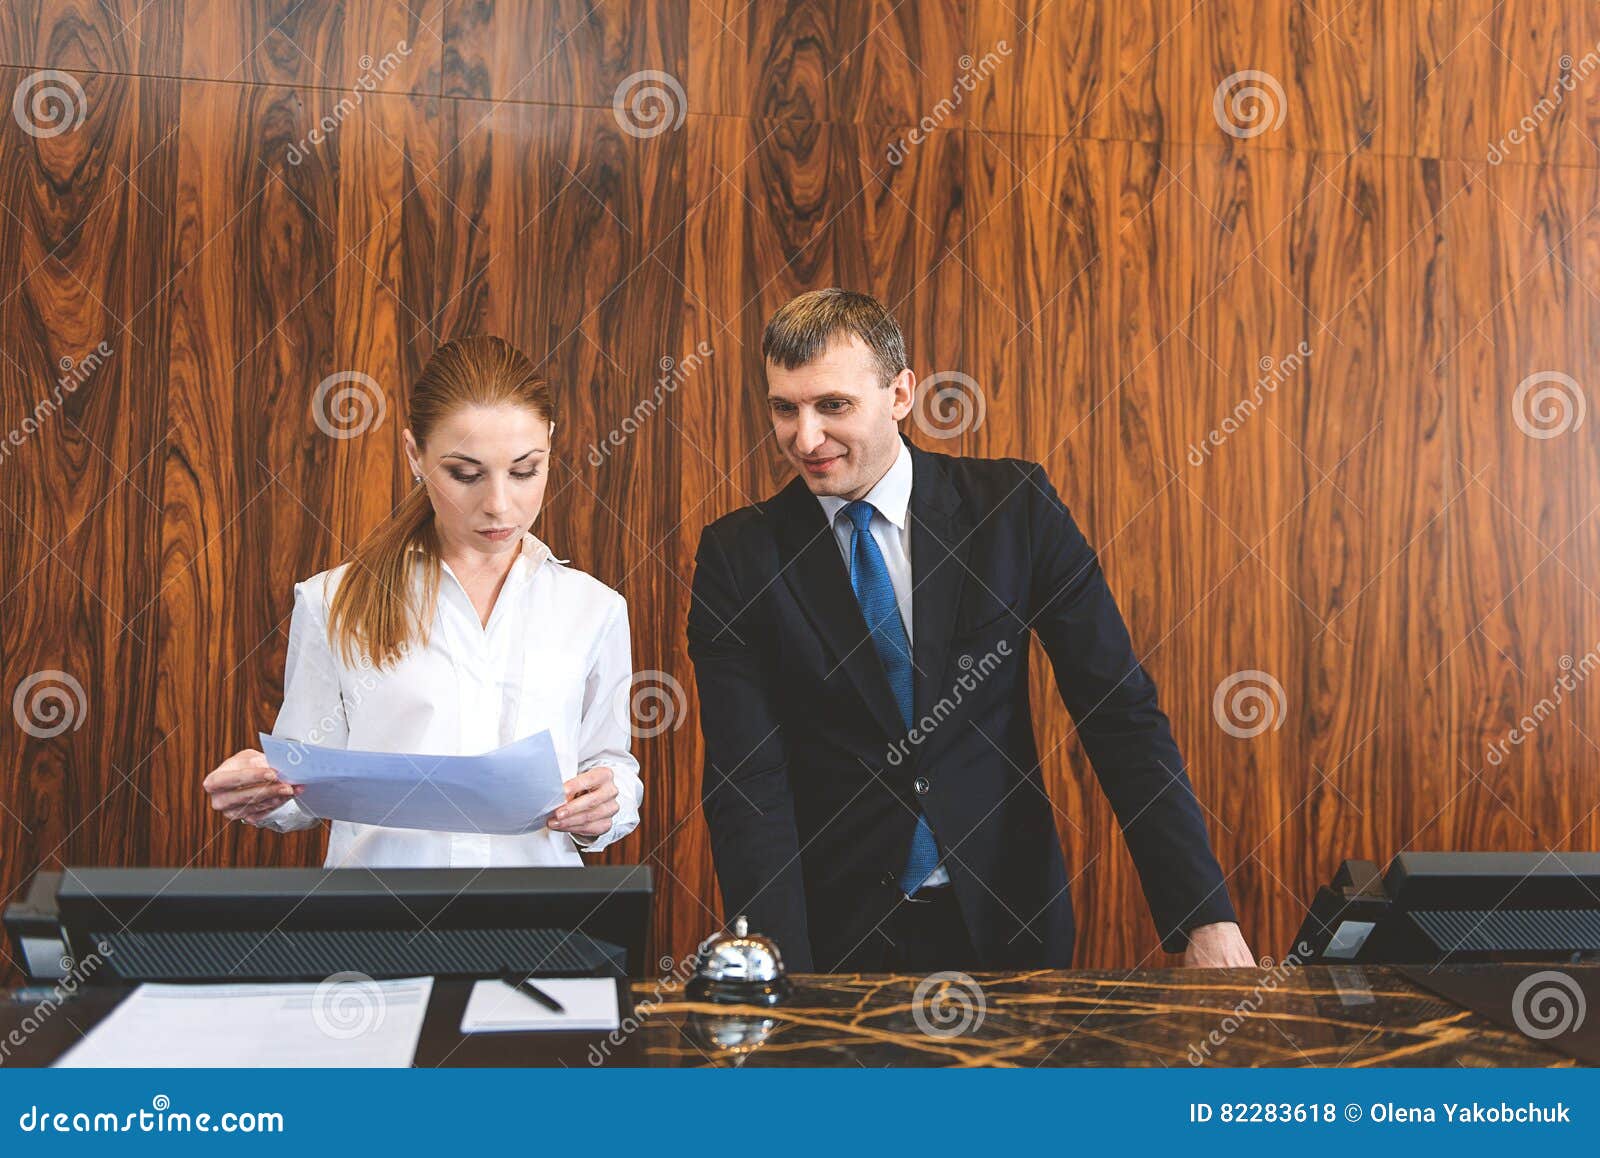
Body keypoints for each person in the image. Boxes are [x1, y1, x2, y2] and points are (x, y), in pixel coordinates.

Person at [687, 289, 1253, 972]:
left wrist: (1203, 916)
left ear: (901, 394)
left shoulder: (1014, 510)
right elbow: (748, 782)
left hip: (1010, 924)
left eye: (832, 406)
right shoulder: (738, 557)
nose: (805, 439)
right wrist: (778, 969)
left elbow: (1118, 714)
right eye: (785, 409)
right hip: (834, 938)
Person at [202, 336, 642, 866]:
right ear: (415, 454)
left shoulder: (594, 609)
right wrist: (263, 788)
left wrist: (609, 802)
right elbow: (302, 785)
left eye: (525, 470)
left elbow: (611, 767)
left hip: (538, 910)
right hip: (379, 912)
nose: (499, 504)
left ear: (549, 443)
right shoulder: (332, 601)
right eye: (465, 474)